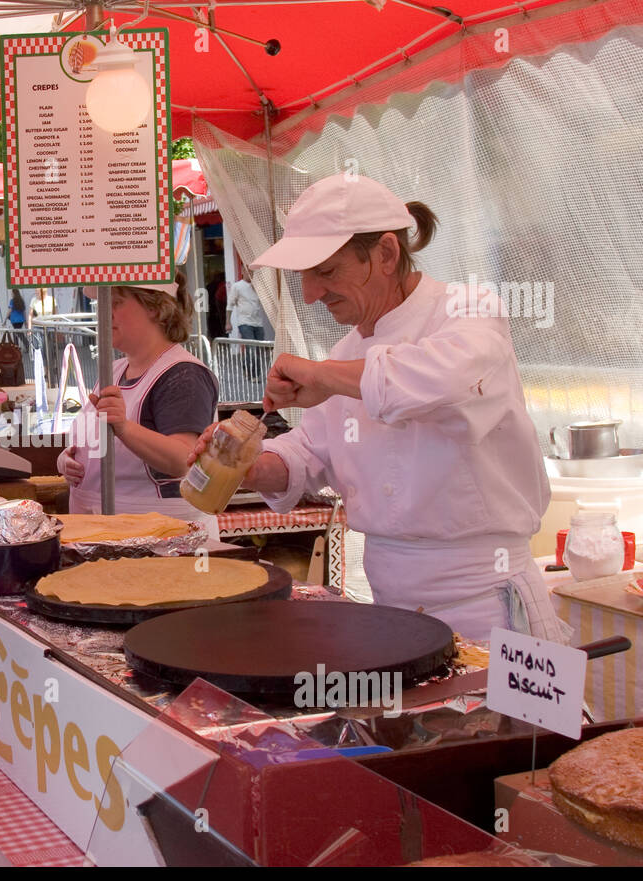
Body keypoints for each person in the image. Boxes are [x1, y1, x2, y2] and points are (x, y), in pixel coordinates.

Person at [189, 173, 568, 645]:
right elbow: (307, 456)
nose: (310, 293)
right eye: (303, 276)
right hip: (393, 609)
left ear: (386, 254)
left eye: (325, 271)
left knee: (513, 725)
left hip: (488, 604)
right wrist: (245, 465)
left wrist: (324, 376)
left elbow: (442, 381)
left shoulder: (468, 310)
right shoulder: (348, 350)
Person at [57, 275, 219, 537]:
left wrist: (124, 427)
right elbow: (99, 443)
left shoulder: (183, 376)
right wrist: (68, 460)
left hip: (164, 539)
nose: (104, 312)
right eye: (102, 303)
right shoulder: (115, 369)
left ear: (154, 306)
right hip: (108, 532)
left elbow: (182, 459)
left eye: (116, 302)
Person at [228, 274, 267, 341]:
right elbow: (230, 305)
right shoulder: (237, 286)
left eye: (252, 271)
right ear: (243, 271)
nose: (250, 273)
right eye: (248, 270)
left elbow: (266, 301)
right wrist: (228, 323)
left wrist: (258, 289)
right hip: (244, 322)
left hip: (258, 323)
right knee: (251, 347)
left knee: (261, 348)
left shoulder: (258, 286)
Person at [204, 271, 228, 340]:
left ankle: (215, 337)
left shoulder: (211, 285)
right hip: (218, 307)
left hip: (213, 307)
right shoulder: (221, 285)